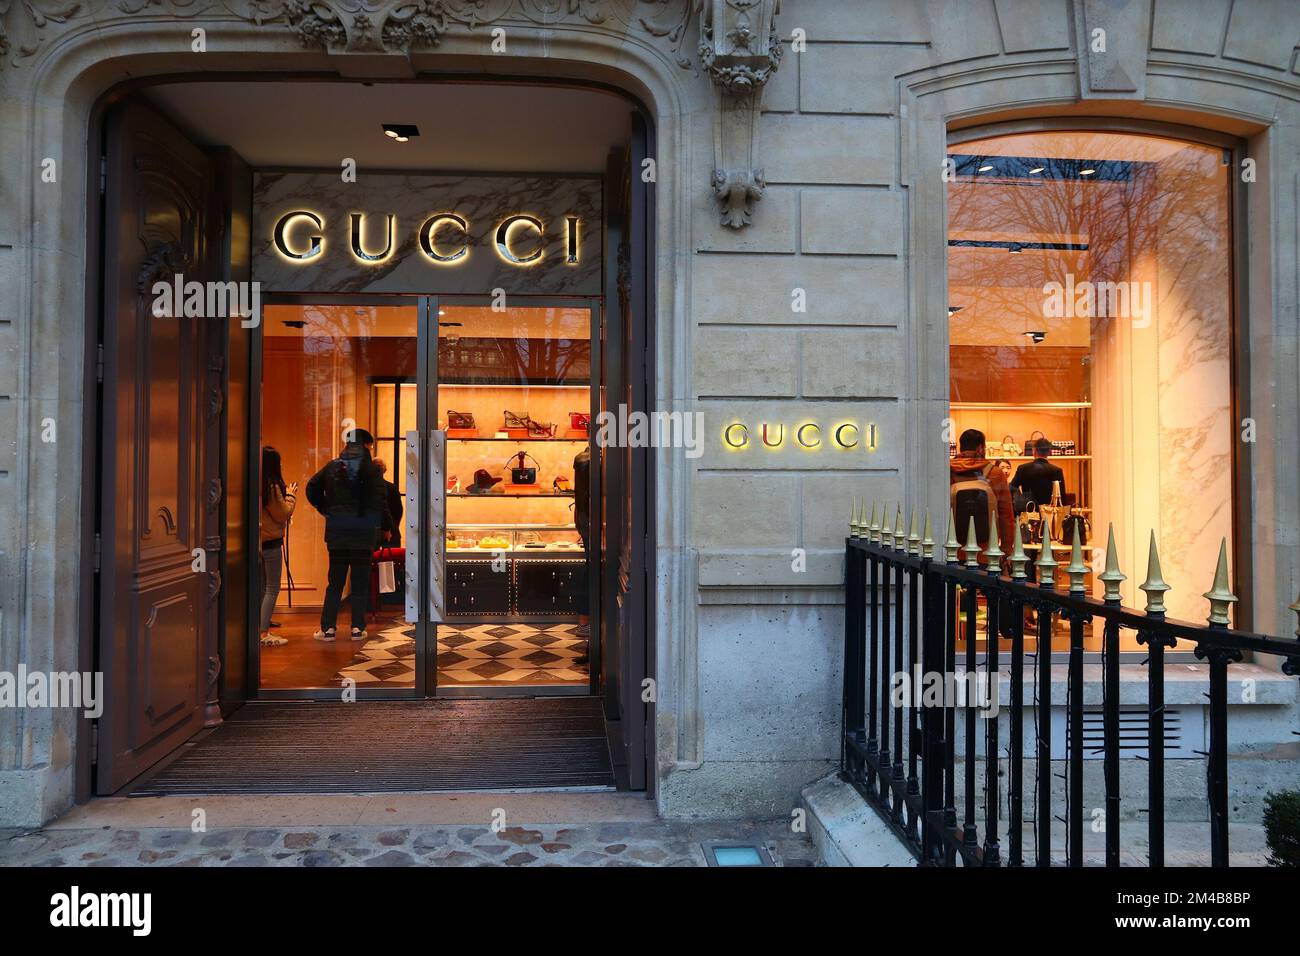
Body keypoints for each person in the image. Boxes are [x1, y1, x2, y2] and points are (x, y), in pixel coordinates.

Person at [305, 428, 386, 642]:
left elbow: (311, 487)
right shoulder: (371, 470)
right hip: (363, 535)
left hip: (338, 534)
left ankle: (328, 628)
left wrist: (326, 509)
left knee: (335, 582)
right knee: (360, 582)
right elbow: (379, 502)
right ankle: (357, 628)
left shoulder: (332, 467)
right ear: (366, 445)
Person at [950, 428, 1014, 564]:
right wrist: (1007, 549)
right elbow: (1006, 515)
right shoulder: (995, 473)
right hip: (988, 552)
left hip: (954, 551)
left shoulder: (948, 471)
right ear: (980, 448)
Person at [258, 446, 297, 647]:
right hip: (271, 541)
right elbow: (282, 513)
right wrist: (291, 495)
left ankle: (259, 626)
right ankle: (263, 632)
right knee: (272, 587)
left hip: (258, 542)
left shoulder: (255, 483)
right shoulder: (271, 486)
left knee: (262, 587)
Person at [572, 446, 591, 664]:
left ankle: (585, 623)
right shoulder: (590, 460)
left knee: (591, 574)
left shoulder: (582, 459)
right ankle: (586, 625)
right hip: (593, 527)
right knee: (593, 576)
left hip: (586, 525)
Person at [1010, 436, 1067, 511]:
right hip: (1049, 512)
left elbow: (1012, 488)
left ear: (1034, 450)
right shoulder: (1057, 470)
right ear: (1049, 452)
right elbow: (1062, 496)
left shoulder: (1023, 468)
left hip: (1028, 510)